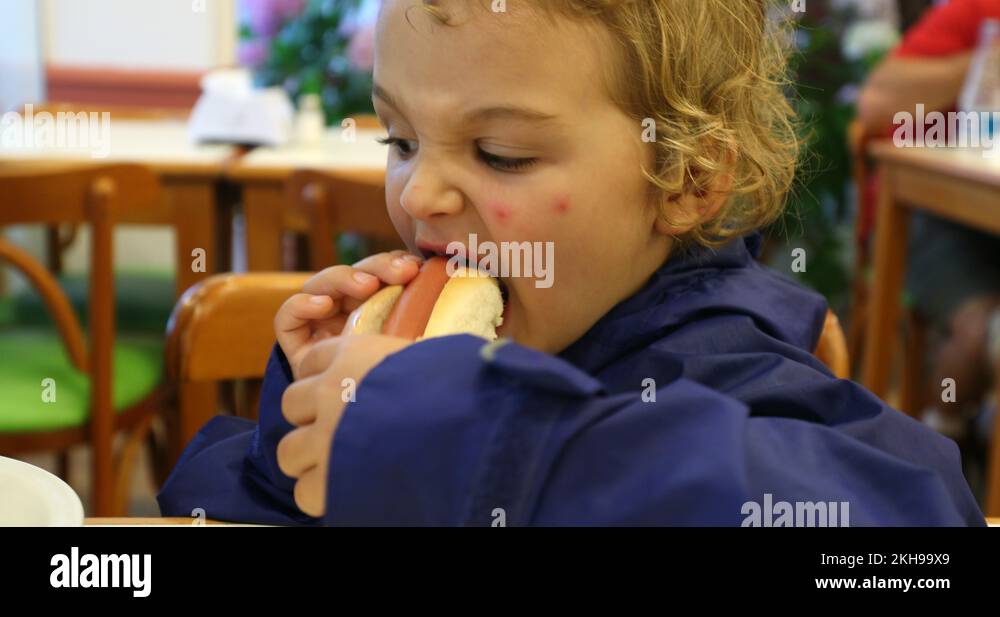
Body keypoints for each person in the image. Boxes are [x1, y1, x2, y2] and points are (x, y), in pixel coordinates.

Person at [158, 0, 984, 526]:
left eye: (500, 152)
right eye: (400, 140)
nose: (419, 194)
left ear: (686, 179)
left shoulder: (730, 365)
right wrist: (305, 429)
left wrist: (469, 436)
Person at [858, 0, 1000, 433]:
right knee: (981, 331)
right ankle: (941, 442)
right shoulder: (980, 11)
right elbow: (875, 104)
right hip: (928, 212)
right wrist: (982, 62)